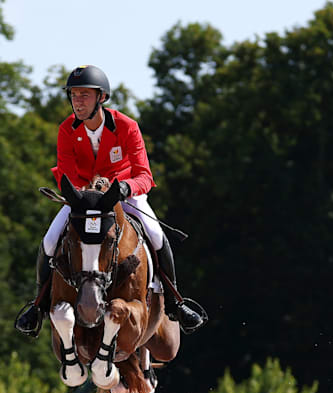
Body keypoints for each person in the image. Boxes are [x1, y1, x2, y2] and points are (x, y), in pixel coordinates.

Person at [14, 64, 207, 337]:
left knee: (155, 233)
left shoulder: (127, 127)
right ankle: (38, 307)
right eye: (74, 95)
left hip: (123, 195)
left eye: (84, 95)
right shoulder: (66, 130)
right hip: (83, 199)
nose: (77, 102)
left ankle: (176, 302)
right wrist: (83, 193)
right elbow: (65, 176)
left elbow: (144, 175)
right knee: (49, 239)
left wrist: (124, 188)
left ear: (101, 98)